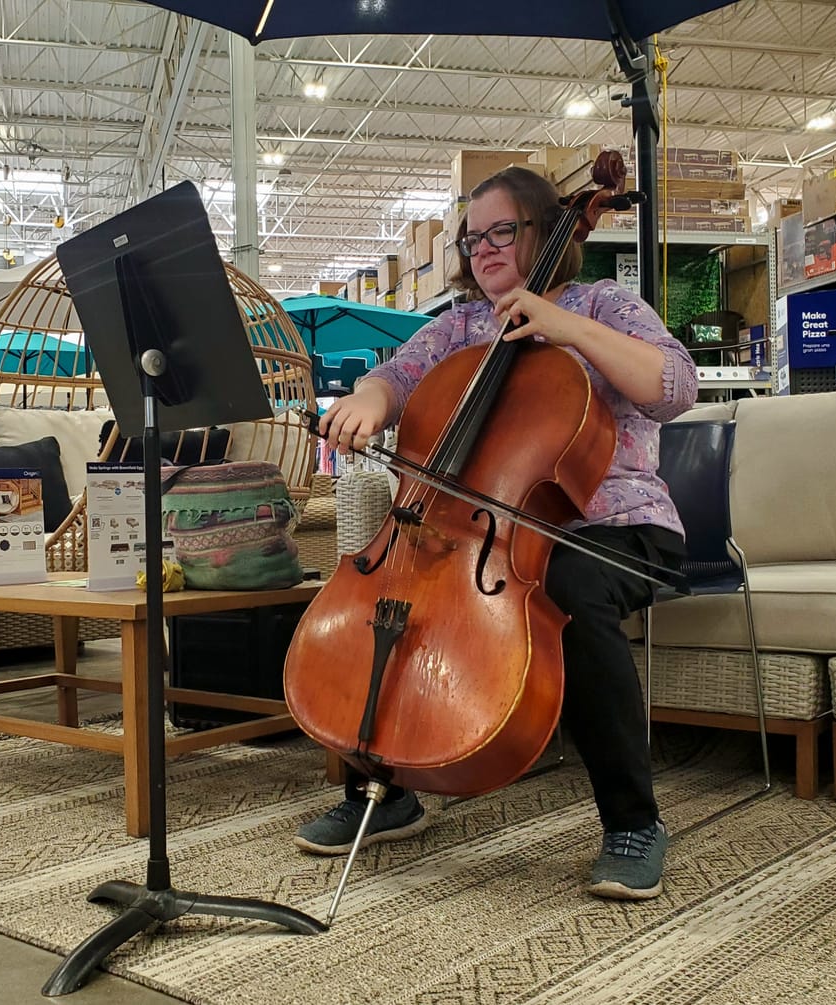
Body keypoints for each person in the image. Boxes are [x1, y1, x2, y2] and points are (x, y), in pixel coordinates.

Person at [294, 166, 698, 900]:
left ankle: (634, 824)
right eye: (471, 237)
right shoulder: (458, 327)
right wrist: (367, 400)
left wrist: (565, 326)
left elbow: (675, 386)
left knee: (566, 586)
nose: (482, 249)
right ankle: (386, 788)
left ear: (544, 230)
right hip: (483, 532)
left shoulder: (606, 303)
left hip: (613, 527)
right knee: (386, 597)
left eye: (501, 231)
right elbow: (398, 374)